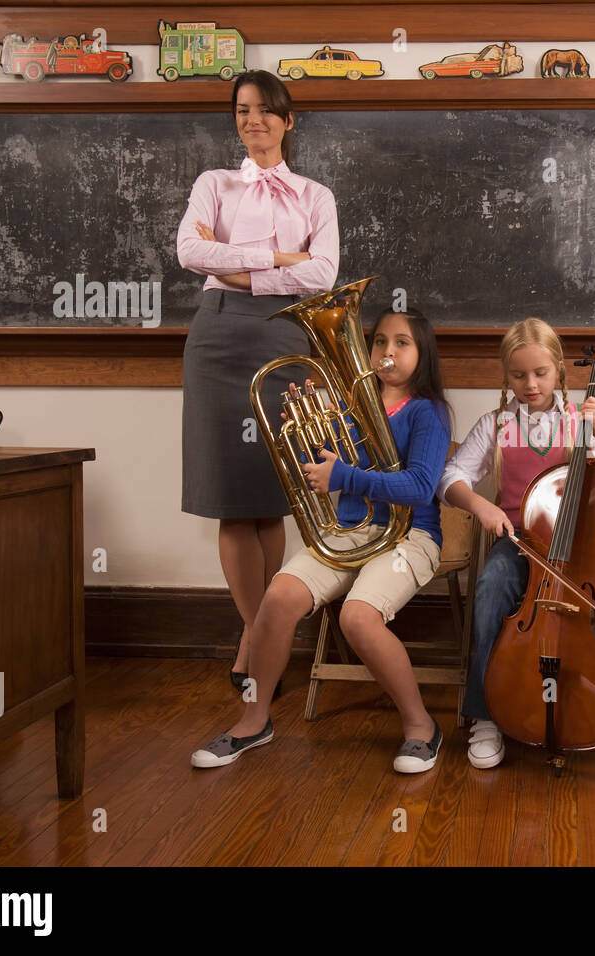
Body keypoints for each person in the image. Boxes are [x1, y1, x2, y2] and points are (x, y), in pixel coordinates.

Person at [191, 308, 453, 772]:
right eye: (379, 342)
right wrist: (309, 424)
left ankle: (420, 727)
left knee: (358, 618)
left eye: (402, 343)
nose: (387, 352)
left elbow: (418, 486)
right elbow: (324, 464)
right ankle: (254, 721)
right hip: (350, 531)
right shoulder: (352, 405)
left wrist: (345, 474)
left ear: (424, 353)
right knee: (277, 598)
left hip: (409, 537)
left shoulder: (428, 413)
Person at [440, 318, 595, 773]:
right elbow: (452, 477)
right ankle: (485, 713)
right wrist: (481, 507)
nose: (530, 384)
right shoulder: (499, 425)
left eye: (541, 373)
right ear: (505, 376)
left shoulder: (577, 420)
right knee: (491, 585)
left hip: (582, 549)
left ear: (560, 371)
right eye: (518, 375)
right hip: (522, 543)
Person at [176, 70, 338, 692]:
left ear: (288, 120)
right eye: (243, 111)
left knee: (272, 500)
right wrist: (277, 259)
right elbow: (191, 252)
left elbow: (322, 275)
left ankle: (259, 642)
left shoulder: (314, 195)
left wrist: (238, 265)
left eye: (267, 111)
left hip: (282, 337)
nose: (254, 121)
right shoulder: (213, 183)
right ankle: (259, 635)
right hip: (216, 342)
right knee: (231, 501)